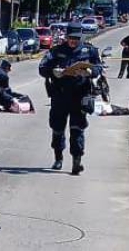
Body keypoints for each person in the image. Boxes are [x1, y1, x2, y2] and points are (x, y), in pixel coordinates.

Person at [39, 23, 103, 175]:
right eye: (71, 38)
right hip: (60, 95)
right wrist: (53, 72)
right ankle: (58, 158)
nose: (73, 41)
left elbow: (99, 67)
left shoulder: (90, 50)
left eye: (76, 38)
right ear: (66, 37)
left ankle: (76, 162)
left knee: (77, 130)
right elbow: (42, 68)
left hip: (80, 95)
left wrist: (89, 71)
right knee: (57, 129)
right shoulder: (56, 51)